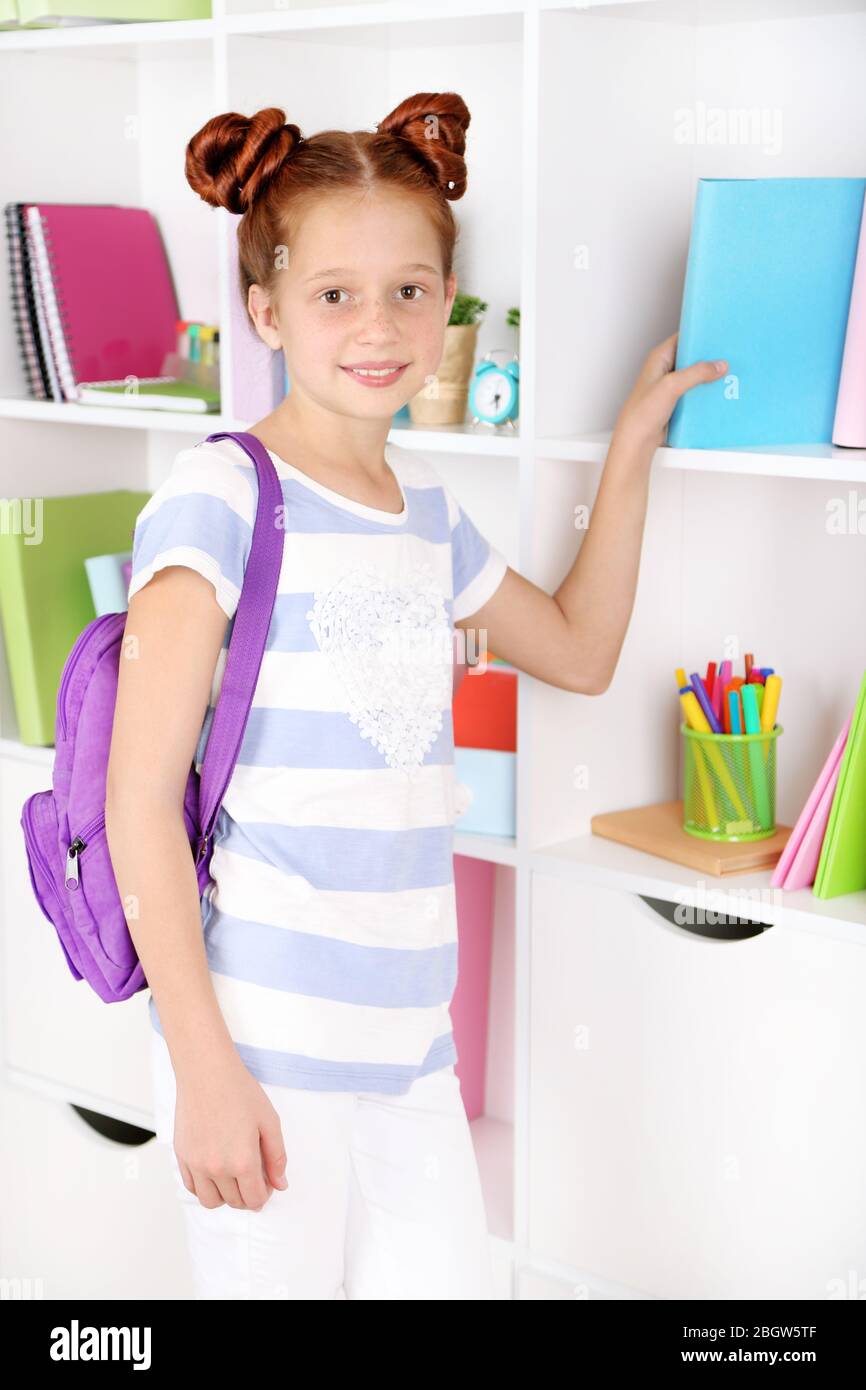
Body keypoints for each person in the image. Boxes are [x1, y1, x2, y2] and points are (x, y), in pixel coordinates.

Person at [105, 92, 727, 1301]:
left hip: (411, 1048)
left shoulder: (428, 507)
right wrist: (204, 1069)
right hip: (263, 1047)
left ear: (448, 302)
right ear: (266, 308)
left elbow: (578, 649)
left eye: (410, 288)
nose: (378, 324)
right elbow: (140, 804)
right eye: (335, 292)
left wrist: (630, 449)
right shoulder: (217, 496)